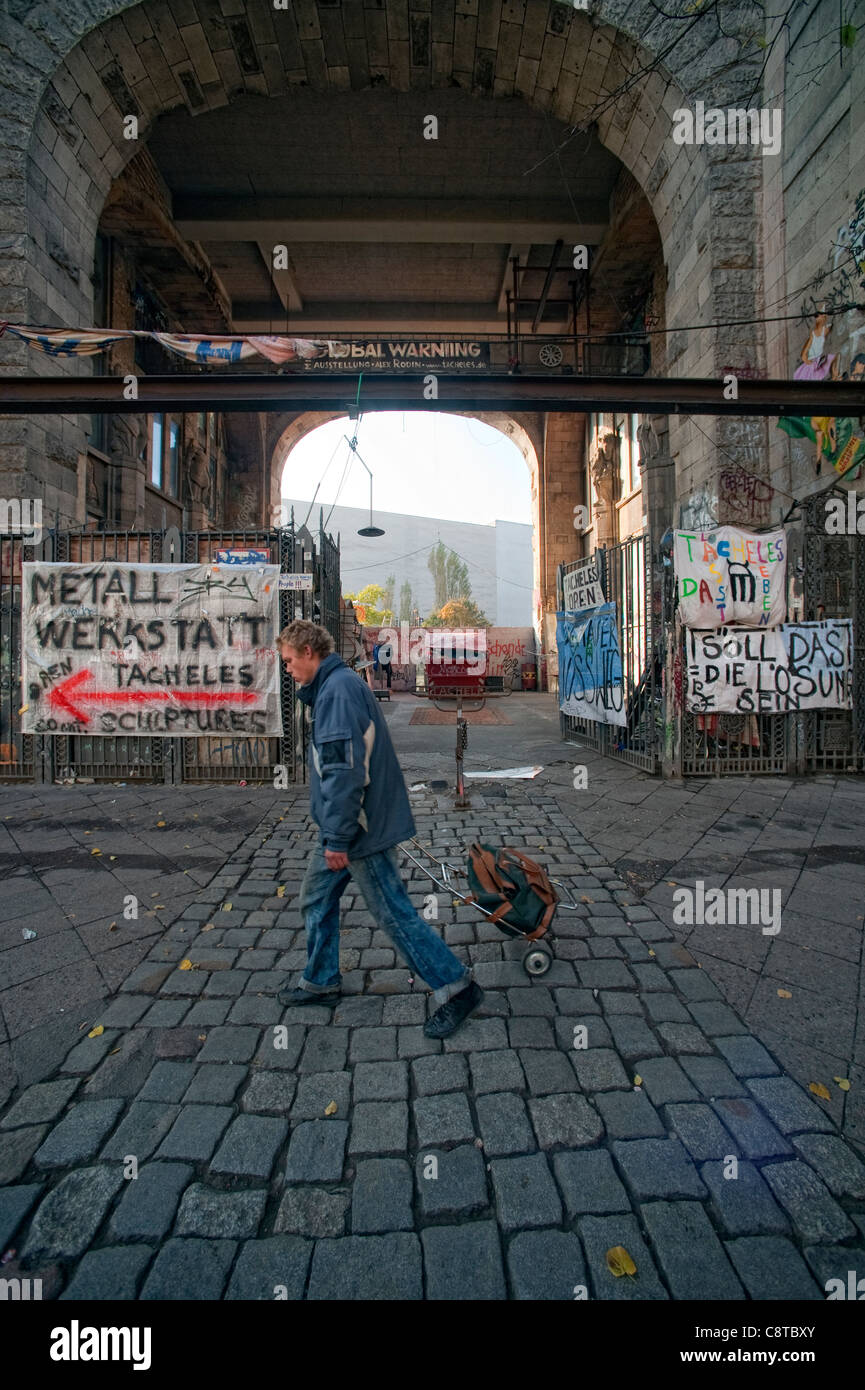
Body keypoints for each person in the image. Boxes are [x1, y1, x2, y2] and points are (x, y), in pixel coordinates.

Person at [275, 620, 484, 1038]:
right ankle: (321, 980)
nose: (287, 669)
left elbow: (343, 773)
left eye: (288, 660)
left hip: (356, 830)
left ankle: (456, 986)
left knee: (394, 914)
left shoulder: (336, 694)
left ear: (308, 652)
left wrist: (337, 838)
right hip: (348, 824)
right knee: (315, 898)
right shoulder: (338, 685)